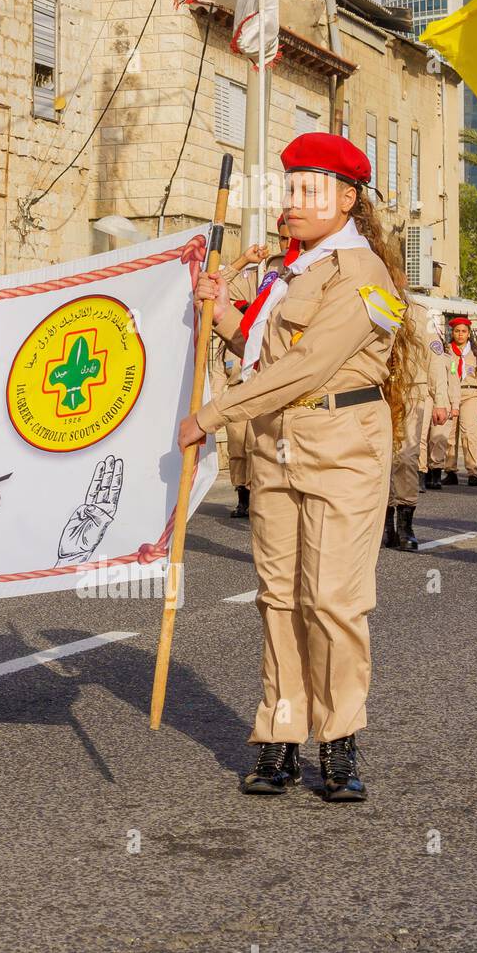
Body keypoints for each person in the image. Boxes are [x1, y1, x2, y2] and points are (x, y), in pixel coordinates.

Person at [179, 133, 415, 802]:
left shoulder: (360, 273)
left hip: (341, 445)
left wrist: (212, 416)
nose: (293, 201)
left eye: (309, 190)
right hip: (277, 445)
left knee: (333, 601)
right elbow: (261, 355)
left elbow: (310, 365)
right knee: (278, 597)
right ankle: (280, 736)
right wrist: (218, 308)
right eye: (289, 188)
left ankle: (338, 743)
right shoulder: (290, 273)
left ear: (347, 199)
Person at [215, 245, 270, 518]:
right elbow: (214, 286)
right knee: (238, 447)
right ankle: (243, 496)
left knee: (259, 447)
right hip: (238, 388)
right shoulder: (244, 279)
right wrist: (242, 261)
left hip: (266, 388)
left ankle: (262, 495)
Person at [384, 302, 434, 549]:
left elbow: (433, 356)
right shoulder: (370, 302)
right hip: (381, 390)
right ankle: (385, 526)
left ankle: (405, 526)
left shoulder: (419, 312)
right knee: (382, 458)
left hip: (412, 390)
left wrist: (442, 399)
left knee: (406, 457)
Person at [443, 315, 477, 487]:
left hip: (471, 395)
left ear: (469, 333)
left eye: (464, 331)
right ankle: (450, 471)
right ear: (452, 332)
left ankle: (472, 471)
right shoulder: (446, 351)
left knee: (469, 434)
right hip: (451, 395)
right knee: (450, 435)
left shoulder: (475, 353)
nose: (460, 334)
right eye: (457, 331)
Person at [420, 315, 455, 490]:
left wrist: (454, 405)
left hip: (444, 399)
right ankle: (421, 472)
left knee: (437, 439)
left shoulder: (448, 355)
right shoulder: (425, 345)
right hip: (426, 395)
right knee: (421, 437)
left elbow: (453, 381)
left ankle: (436, 472)